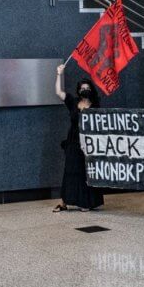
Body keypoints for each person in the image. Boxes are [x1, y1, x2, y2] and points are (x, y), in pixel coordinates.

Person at [53, 64, 103, 212]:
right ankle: (64, 201)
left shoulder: (96, 105)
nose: (84, 90)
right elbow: (58, 92)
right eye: (82, 88)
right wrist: (59, 74)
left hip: (89, 142)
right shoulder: (73, 102)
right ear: (78, 90)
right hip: (74, 141)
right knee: (70, 170)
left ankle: (85, 202)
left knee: (86, 171)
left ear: (91, 90)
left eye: (87, 88)